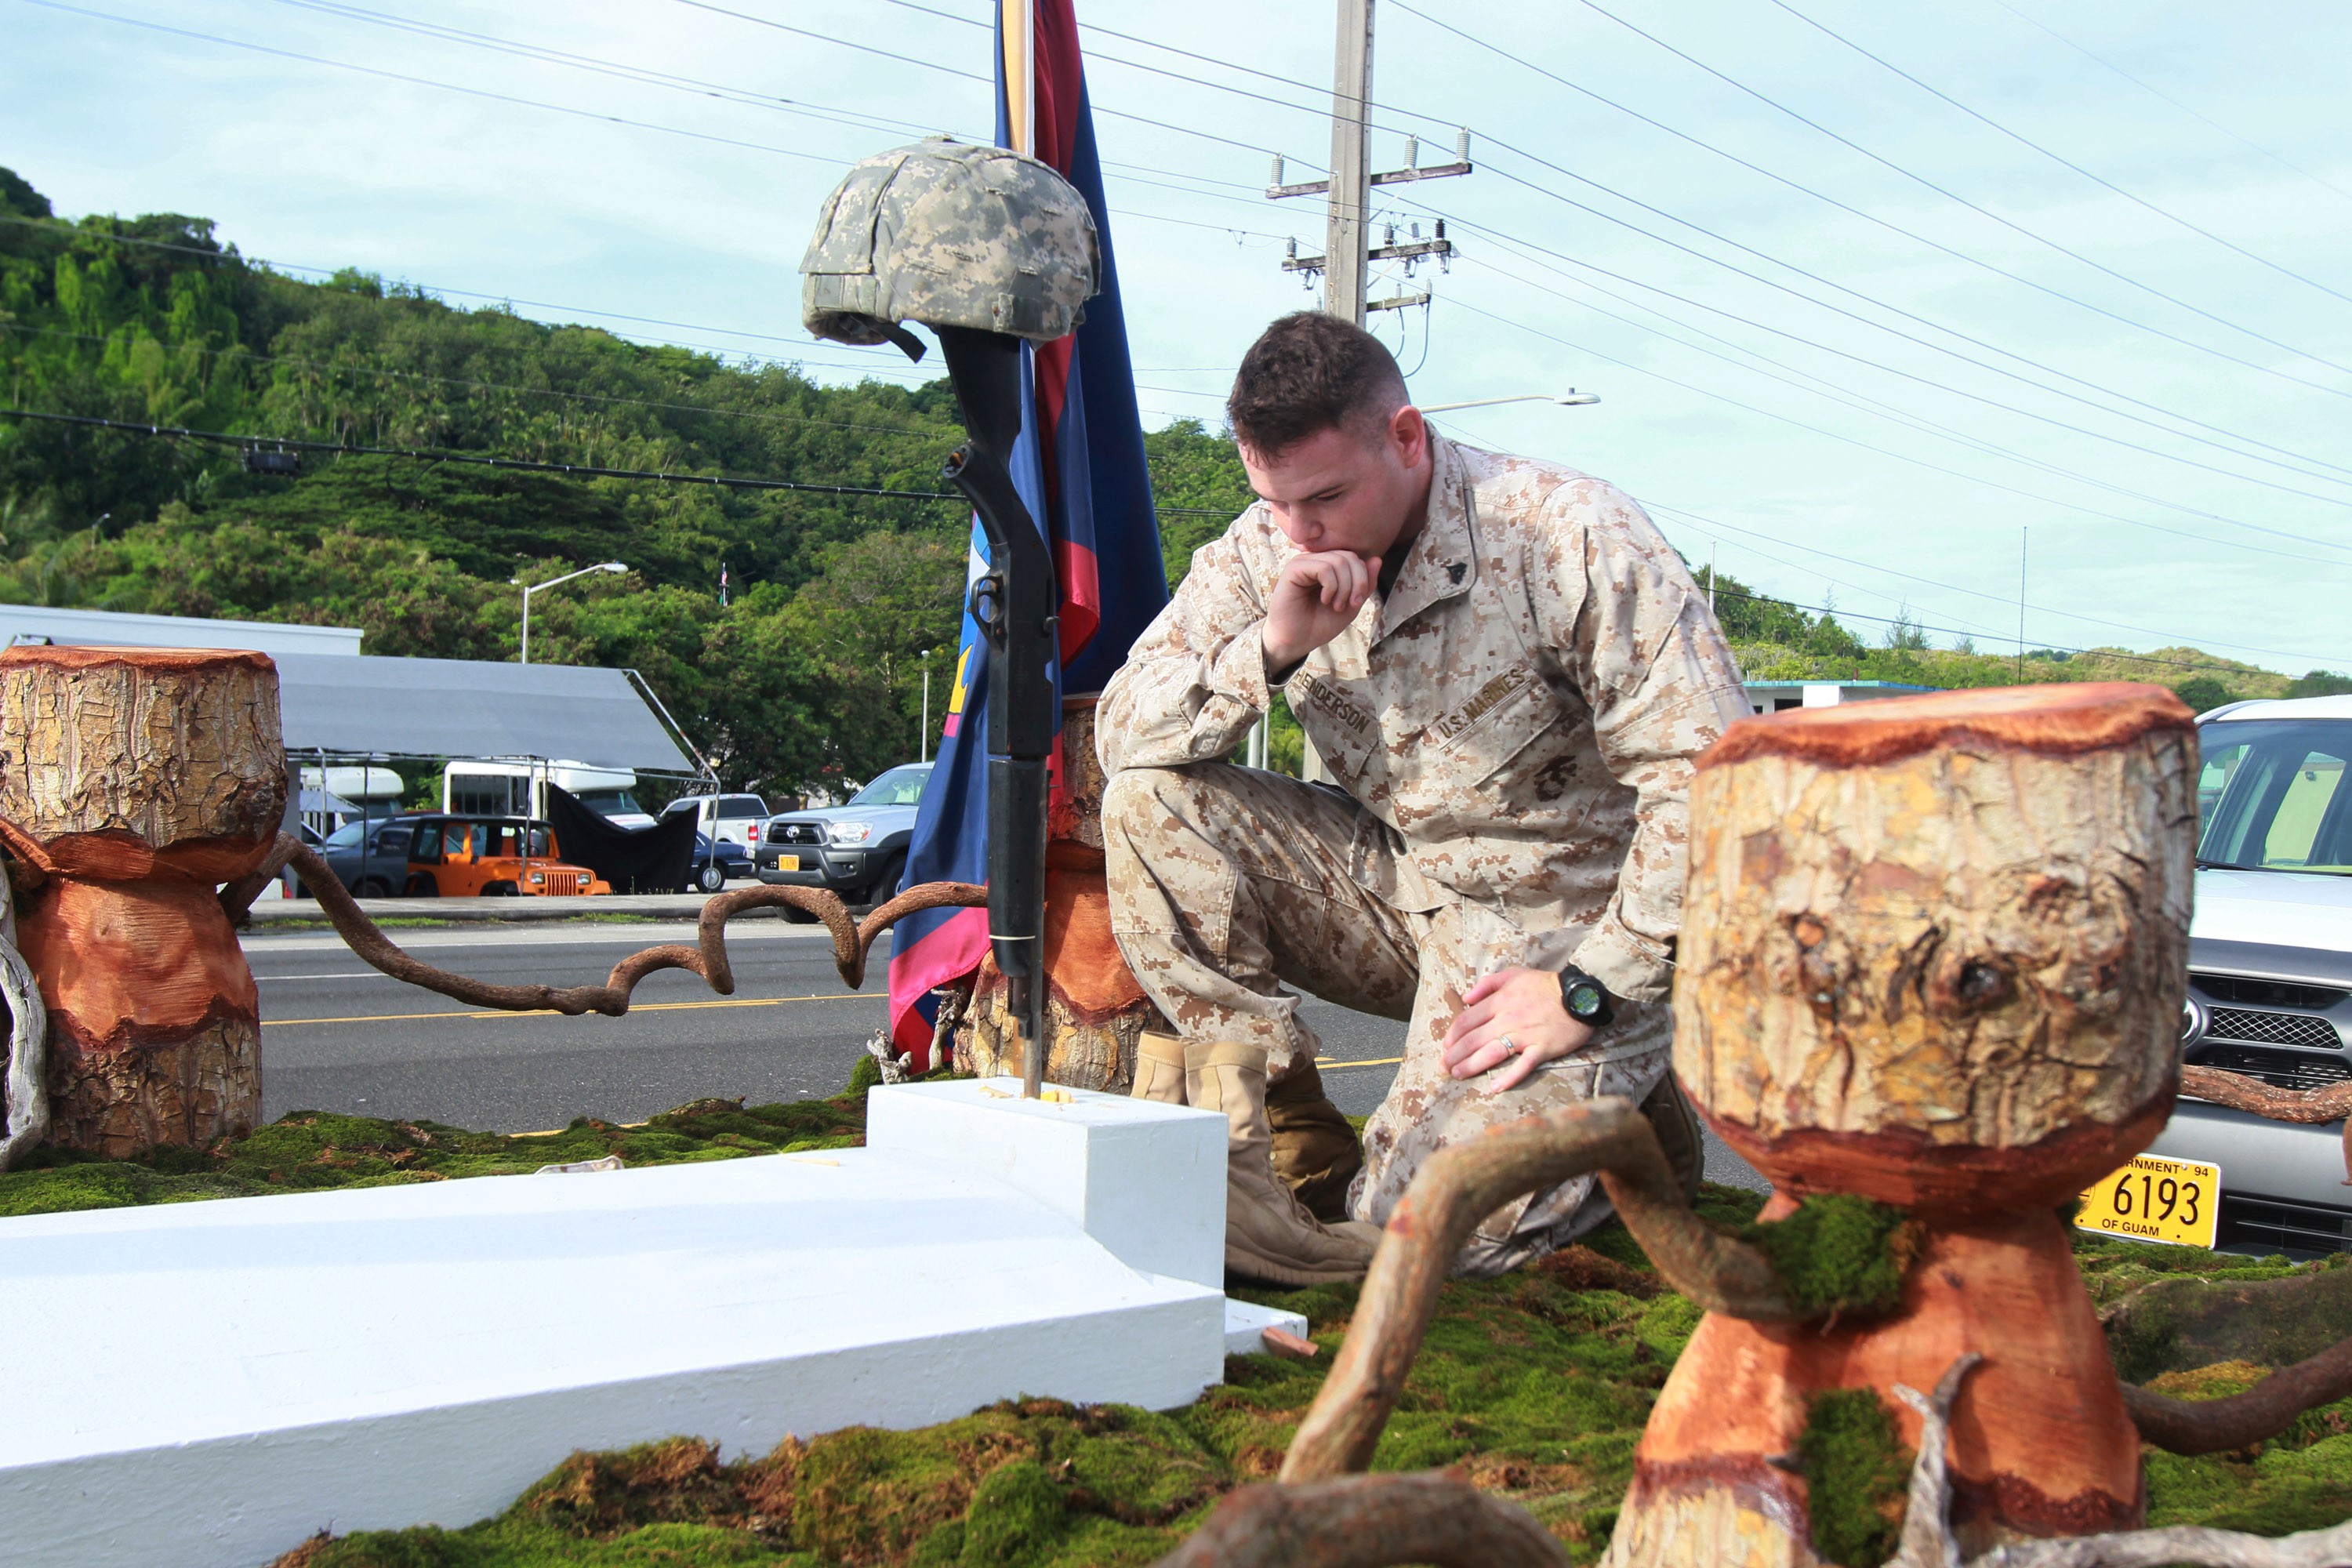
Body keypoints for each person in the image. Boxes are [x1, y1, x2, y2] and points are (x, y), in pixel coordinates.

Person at [1098, 312, 1748, 1279]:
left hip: (1565, 921)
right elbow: (1121, 734)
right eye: (1274, 502)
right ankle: (1274, 1135)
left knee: (1421, 1231)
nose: (1298, 531)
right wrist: (1269, 650)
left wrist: (1591, 990)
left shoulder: (1564, 532)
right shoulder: (1266, 549)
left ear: (1405, 438)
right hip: (1401, 886)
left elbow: (1714, 787)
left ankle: (1625, 1124)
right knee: (1149, 803)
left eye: (1324, 496)